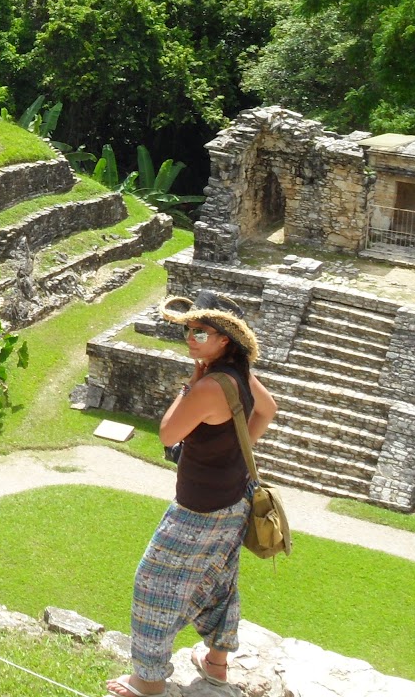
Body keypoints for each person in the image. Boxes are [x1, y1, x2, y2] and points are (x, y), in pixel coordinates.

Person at [106, 296, 278, 697]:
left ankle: (148, 682)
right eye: (188, 329)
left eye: (200, 331)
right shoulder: (240, 373)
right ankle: (215, 664)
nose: (190, 337)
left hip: (200, 508)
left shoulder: (207, 386)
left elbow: (168, 434)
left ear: (225, 340)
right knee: (219, 581)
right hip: (236, 497)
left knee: (152, 584)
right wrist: (239, 449)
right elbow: (268, 409)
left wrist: (190, 384)